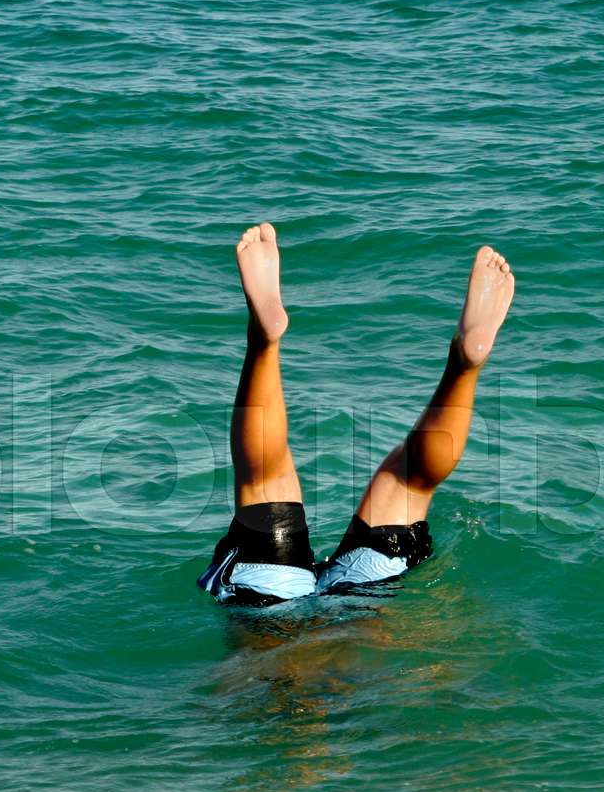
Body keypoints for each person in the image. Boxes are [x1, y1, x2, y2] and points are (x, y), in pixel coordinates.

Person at [198, 222, 515, 606]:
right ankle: (465, 365)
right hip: (295, 597)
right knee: (267, 478)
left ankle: (462, 369)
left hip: (304, 608)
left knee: (407, 484)